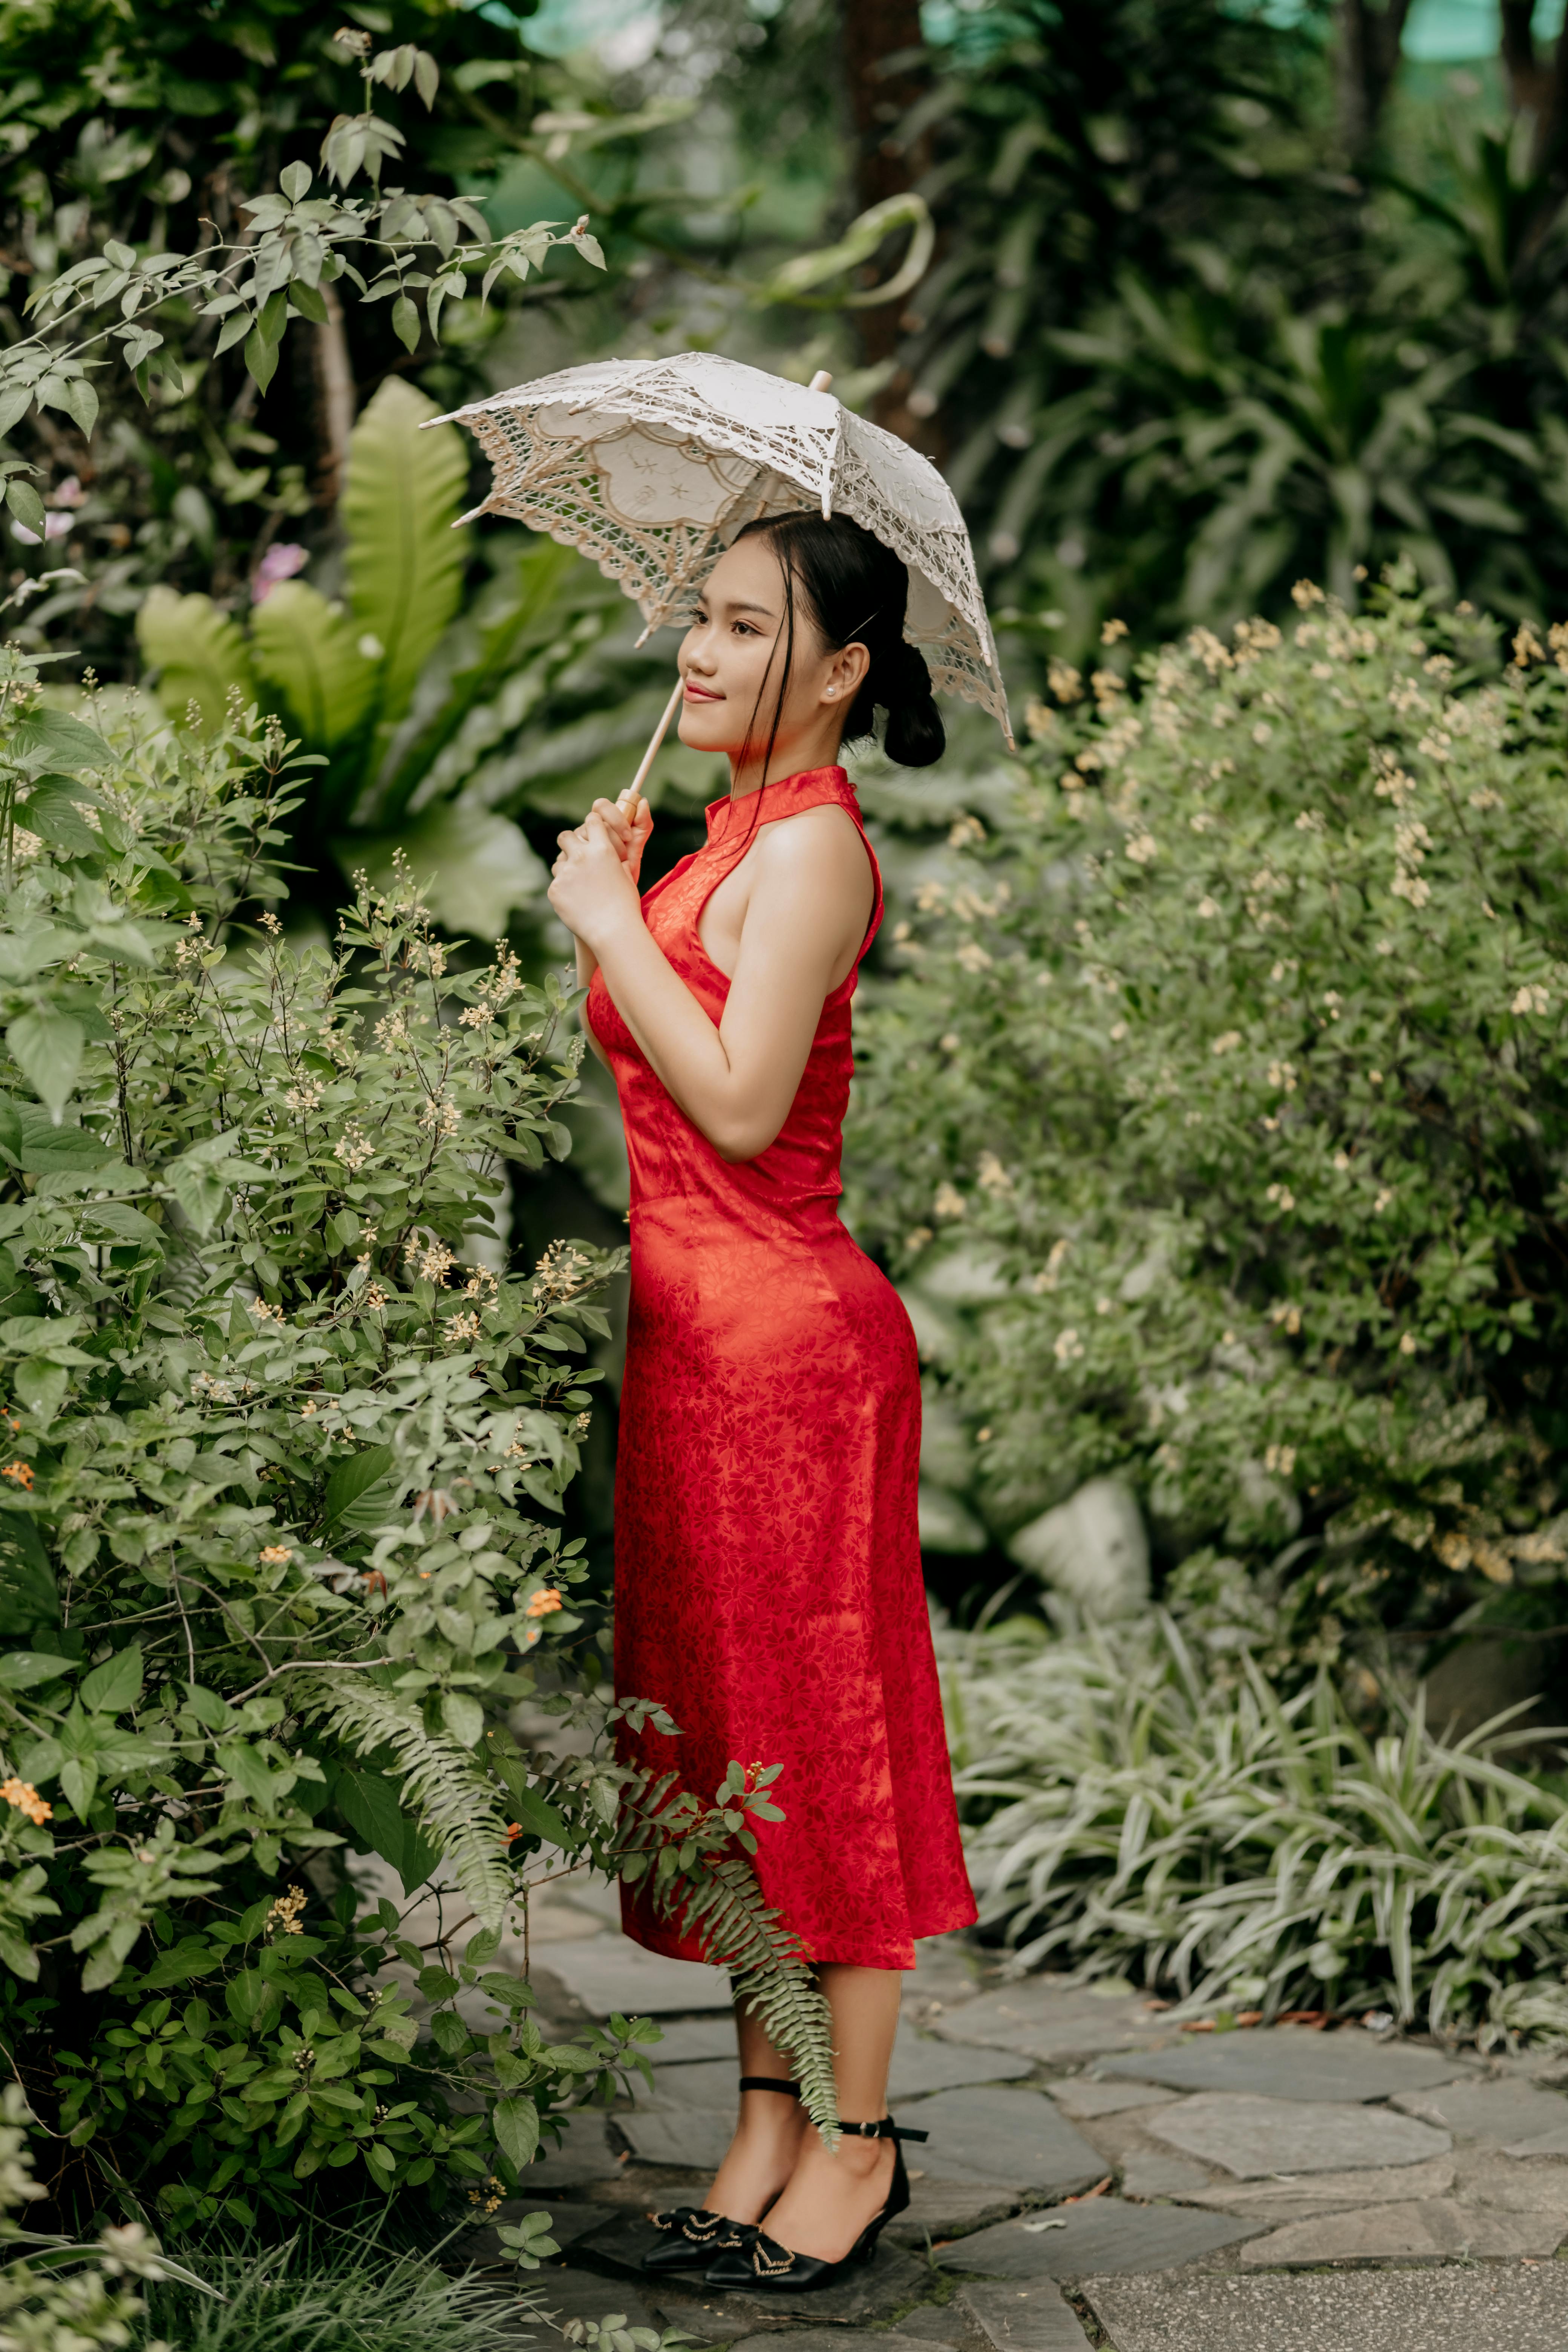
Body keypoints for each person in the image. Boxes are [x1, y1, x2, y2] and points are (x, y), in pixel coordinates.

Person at [546, 510, 977, 2292]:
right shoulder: (724, 837)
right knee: (734, 1763)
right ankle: (763, 2126)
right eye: (696, 623)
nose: (698, 657)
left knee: (824, 1753)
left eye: (743, 628)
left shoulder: (809, 854)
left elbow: (734, 1103)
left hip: (791, 1361)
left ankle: (856, 2147)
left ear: (843, 670)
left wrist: (598, 920)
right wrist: (639, 883)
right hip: (698, 1359)